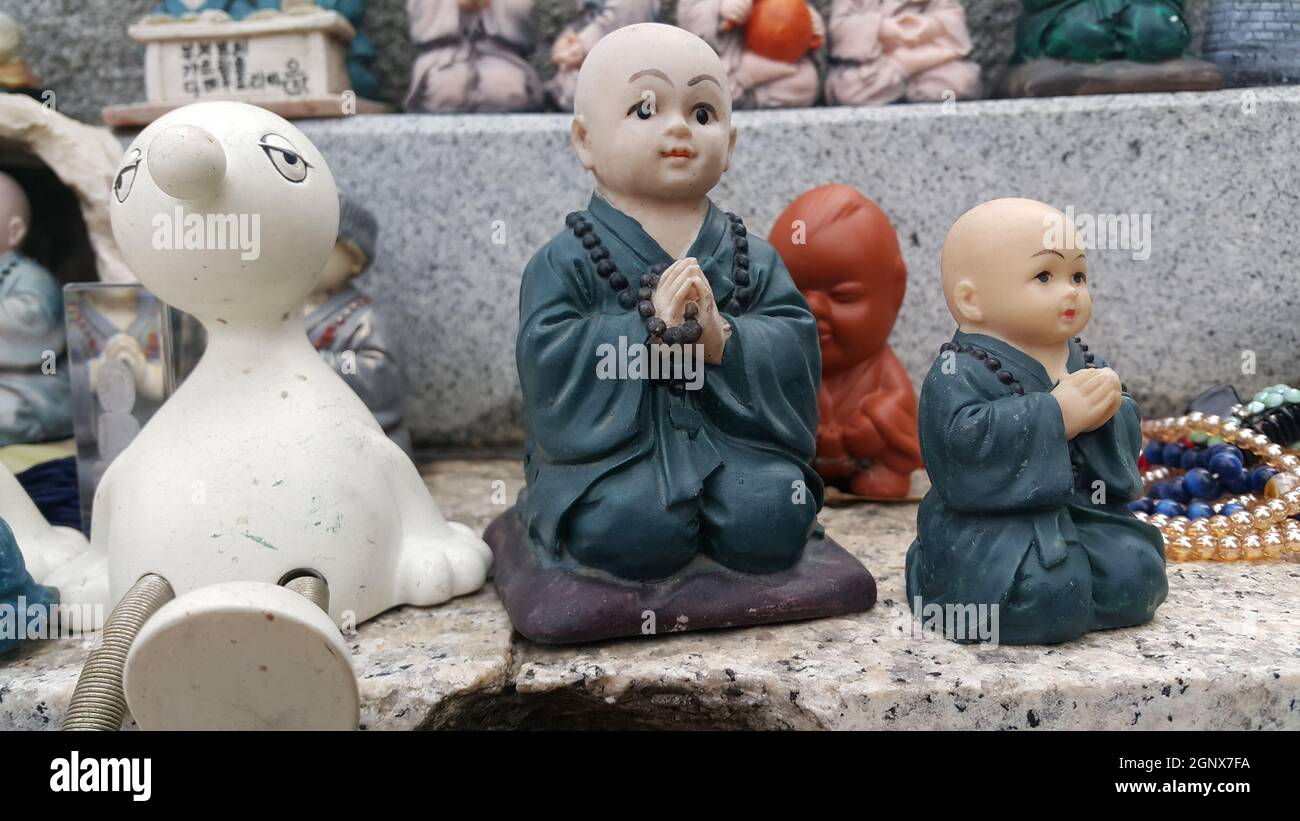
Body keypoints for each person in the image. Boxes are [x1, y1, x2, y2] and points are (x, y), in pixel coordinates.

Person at [516, 23, 823, 581]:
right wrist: (644, 332)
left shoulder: (749, 254)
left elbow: (796, 342)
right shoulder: (566, 260)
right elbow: (547, 362)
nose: (679, 126)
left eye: (703, 113)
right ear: (584, 141)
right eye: (646, 109)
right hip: (615, 460)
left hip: (736, 446)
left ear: (729, 145)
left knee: (776, 516)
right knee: (630, 530)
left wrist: (723, 338)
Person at [906, 197, 1167, 644]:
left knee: (1136, 574)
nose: (1070, 291)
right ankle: (931, 569)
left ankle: (1085, 578)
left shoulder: (1084, 359)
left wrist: (1110, 414)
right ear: (971, 301)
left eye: (1078, 275)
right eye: (1045, 275)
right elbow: (959, 450)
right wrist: (1057, 416)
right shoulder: (958, 371)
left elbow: (1121, 438)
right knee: (1045, 596)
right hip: (991, 527)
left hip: (1080, 511)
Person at [771, 183, 922, 498]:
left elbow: (897, 405)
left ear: (897, 290)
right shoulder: (784, 365)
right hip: (806, 460)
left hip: (862, 459)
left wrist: (873, 429)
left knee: (882, 484)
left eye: (843, 296)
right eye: (794, 294)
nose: (812, 310)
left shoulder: (880, 368)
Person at [304, 198, 413, 458]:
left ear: (354, 260)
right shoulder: (281, 310)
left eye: (322, 248)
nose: (305, 257)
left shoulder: (364, 319)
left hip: (360, 433)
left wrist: (313, 364)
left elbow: (382, 376)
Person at [0, 171, 71, 446]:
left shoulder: (32, 277)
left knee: (7, 410)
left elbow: (36, 326)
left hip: (37, 381)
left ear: (14, 231)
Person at [824, 0, 980, 106]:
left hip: (926, 63)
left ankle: (944, 115)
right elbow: (839, 28)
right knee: (847, 90)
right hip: (878, 68)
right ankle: (900, 71)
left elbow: (952, 16)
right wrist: (881, 29)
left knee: (960, 82)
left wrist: (930, 25)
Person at [404, 0, 543, 112]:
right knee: (448, 93)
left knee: (507, 92)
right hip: (447, 53)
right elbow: (418, 6)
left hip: (499, 53)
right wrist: (451, 5)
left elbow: (526, 7)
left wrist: (496, 4)